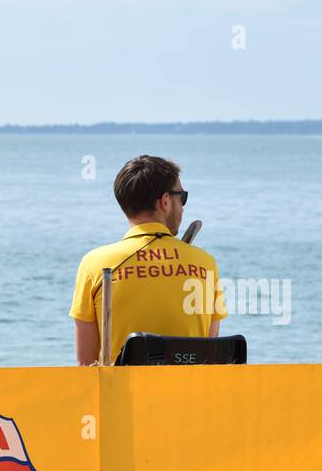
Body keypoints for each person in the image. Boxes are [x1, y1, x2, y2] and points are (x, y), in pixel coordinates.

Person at [69, 155, 227, 365]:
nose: (183, 206)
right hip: (190, 395)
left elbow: (86, 365)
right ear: (165, 201)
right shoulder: (205, 264)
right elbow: (208, 351)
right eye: (182, 197)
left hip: (122, 396)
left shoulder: (95, 264)